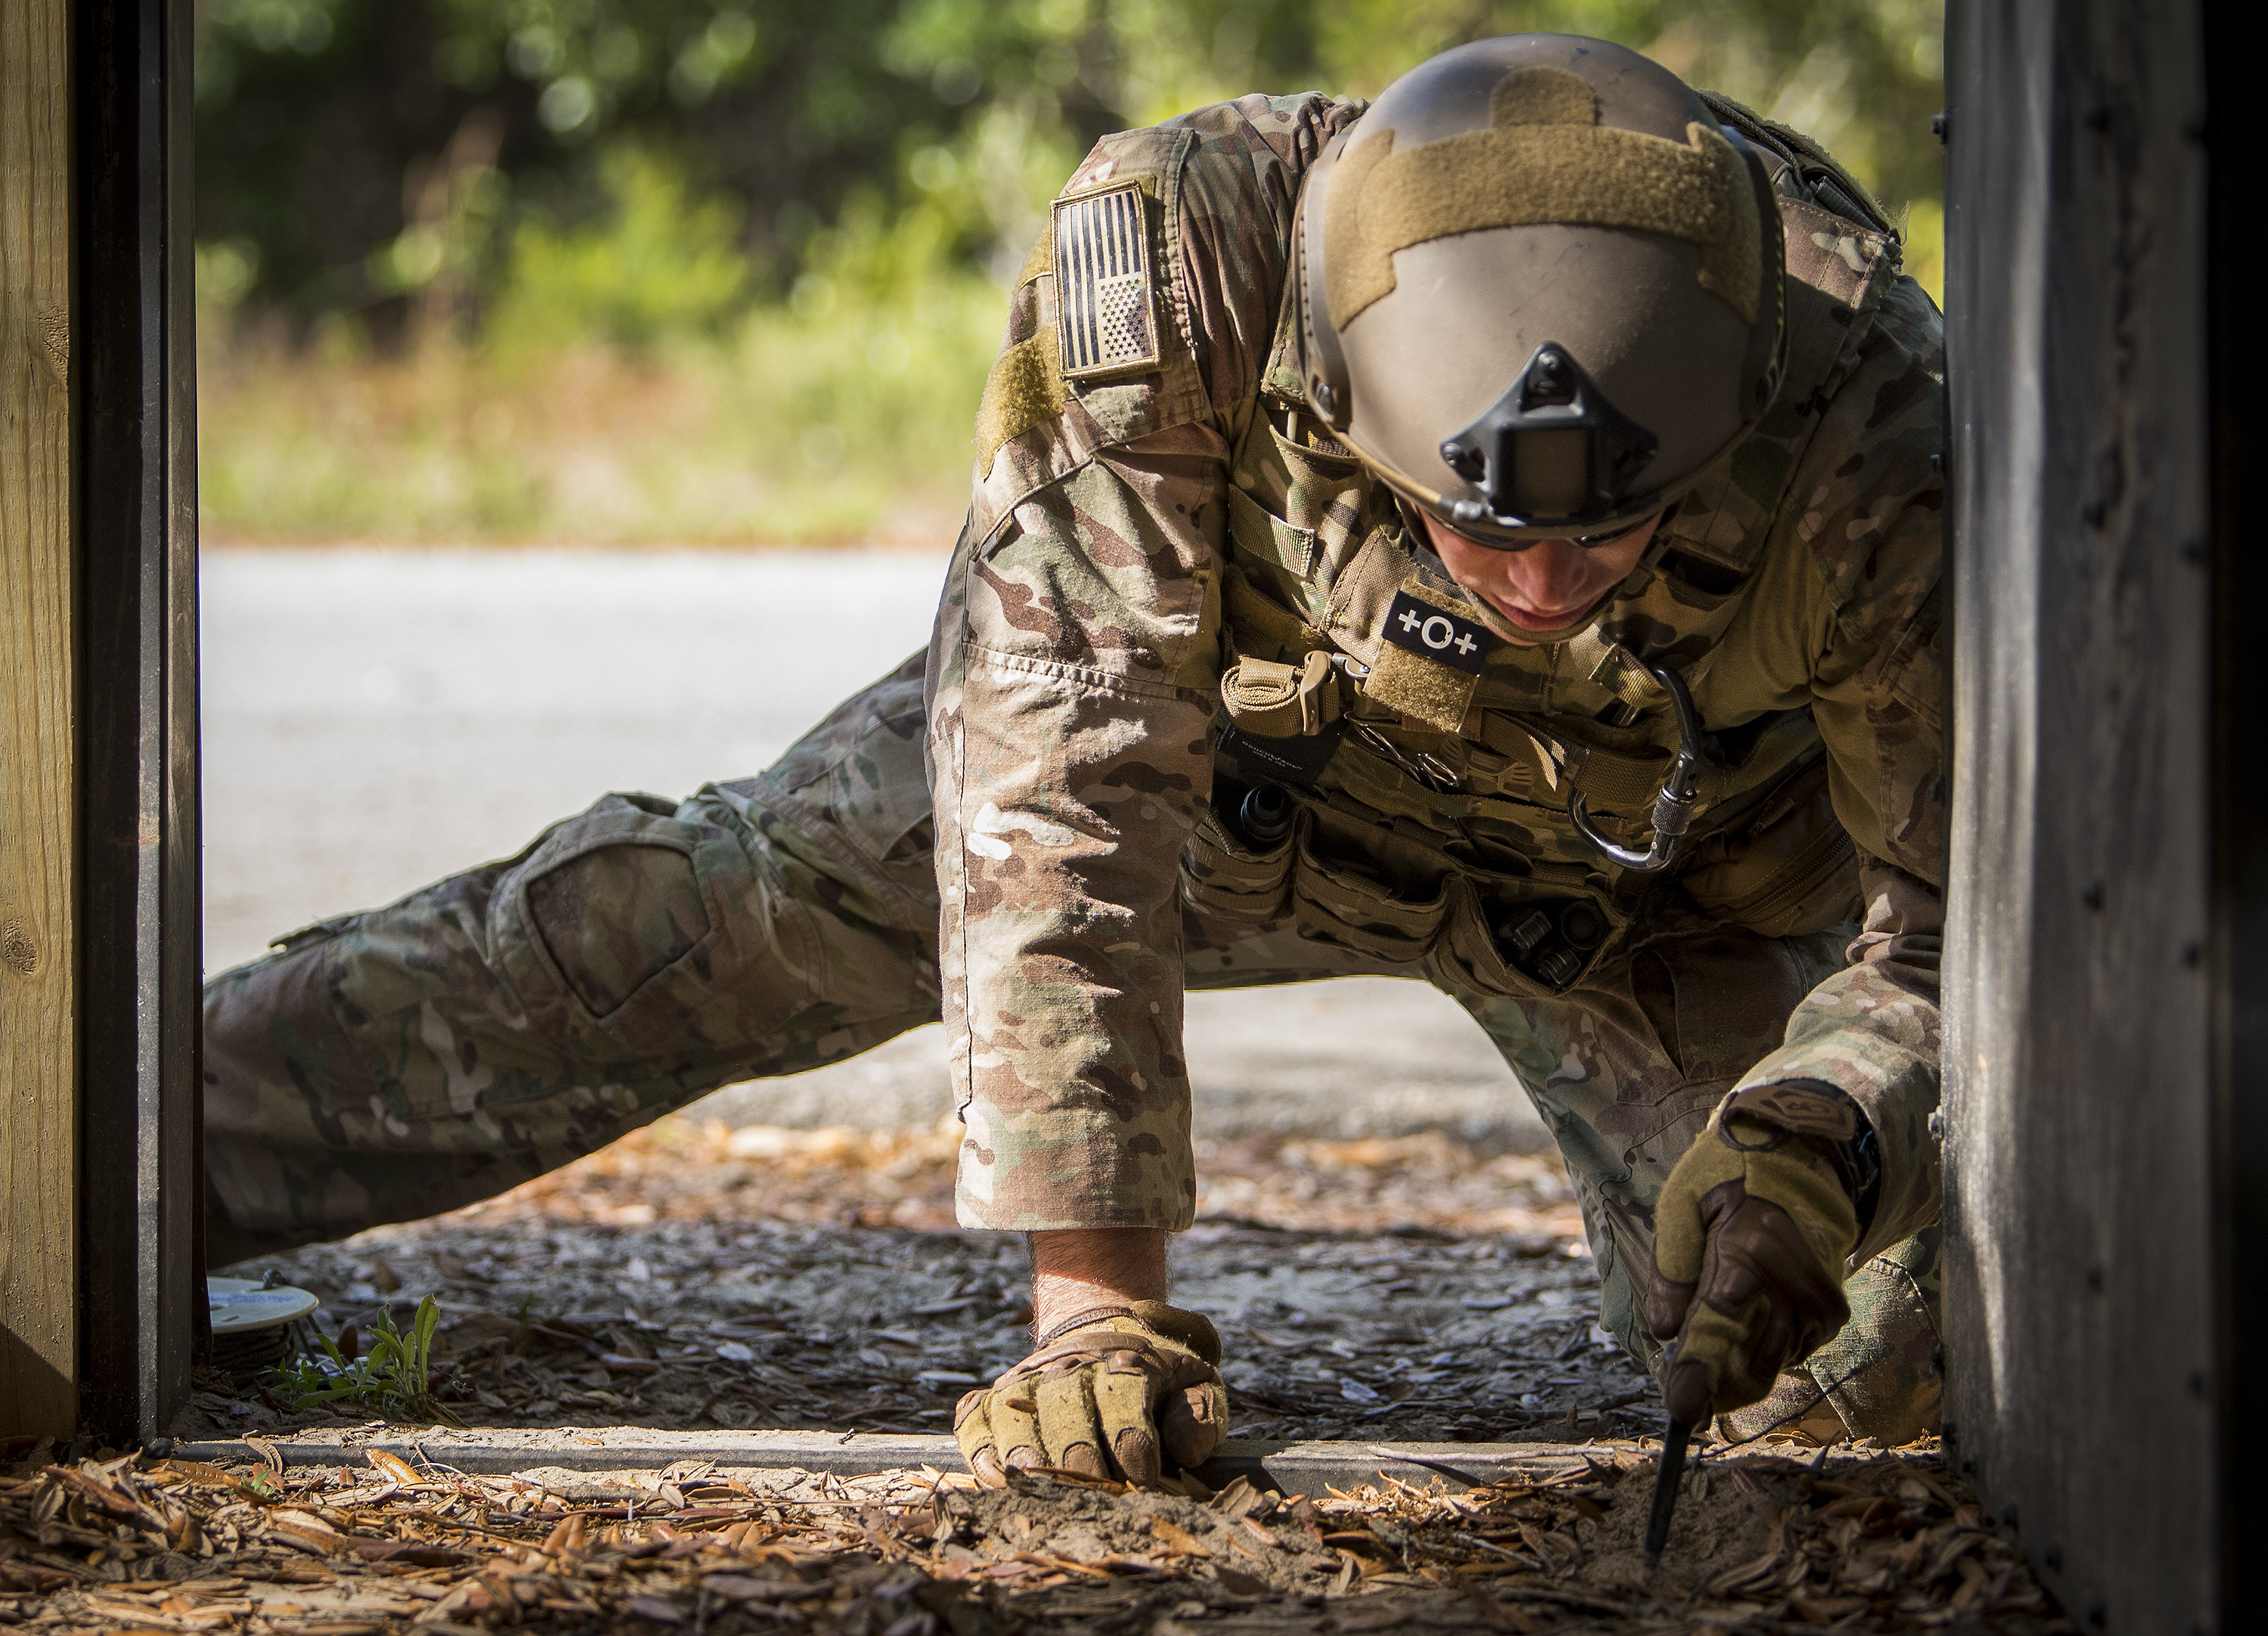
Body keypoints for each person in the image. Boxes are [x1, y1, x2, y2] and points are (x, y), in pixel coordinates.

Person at [202, 34, 1945, 1483]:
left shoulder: (1870, 407)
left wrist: (1829, 1127)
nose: (1542, 586)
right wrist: (1096, 1302)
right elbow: (1063, 763)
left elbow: (1947, 915)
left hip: (1658, 888)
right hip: (1216, 776)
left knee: (1874, 1379)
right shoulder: (1186, 258)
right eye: (1472, 526)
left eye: (1606, 531)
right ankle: (120, 1153)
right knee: (681, 921)